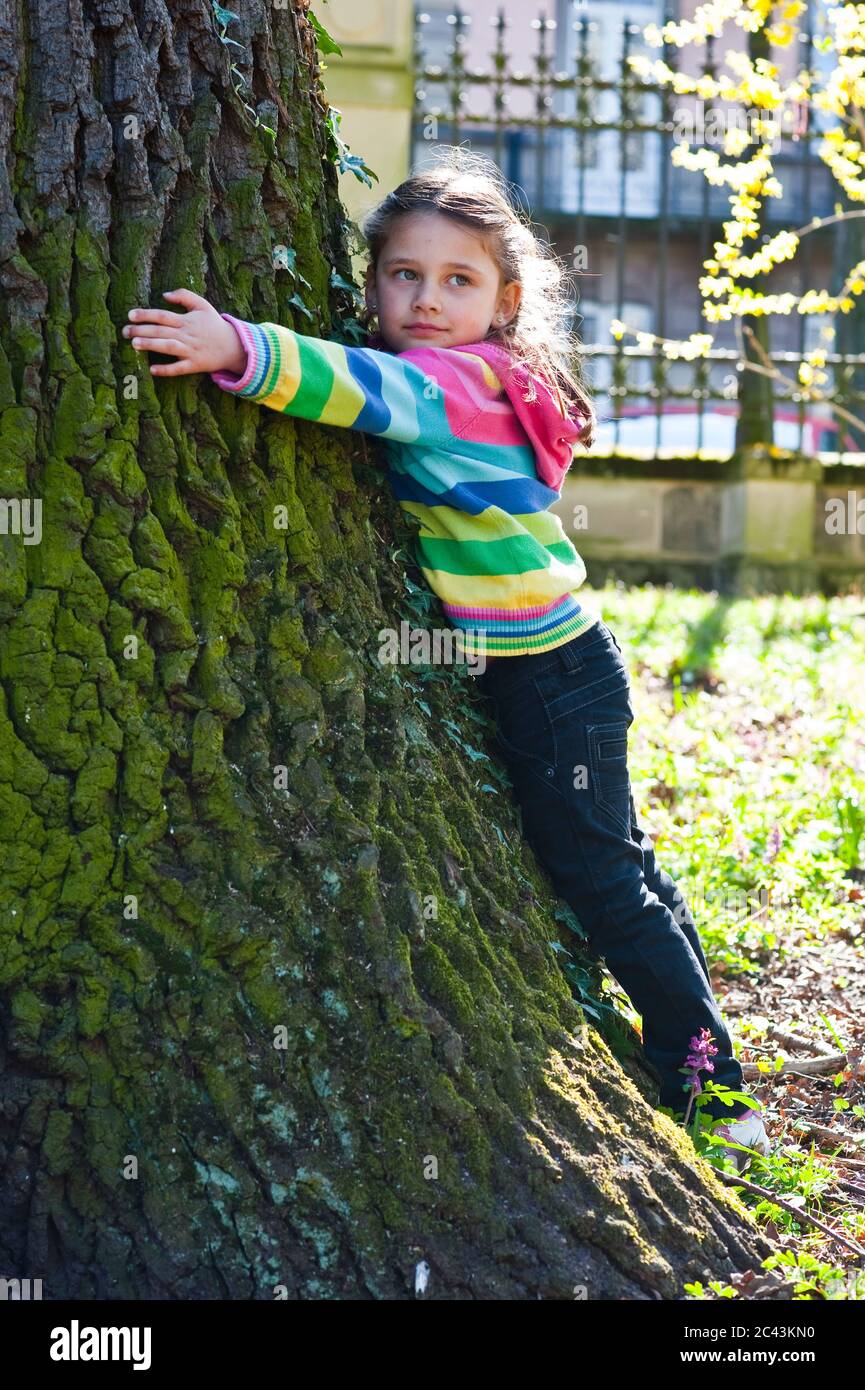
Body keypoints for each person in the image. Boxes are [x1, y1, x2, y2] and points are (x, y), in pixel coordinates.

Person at [122, 148, 770, 1171]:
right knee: (622, 866)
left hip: (549, 679)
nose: (424, 299)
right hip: (555, 665)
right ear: (372, 278)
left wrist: (232, 344)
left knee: (603, 879)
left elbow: (353, 385)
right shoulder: (494, 374)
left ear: (505, 300)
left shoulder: (453, 381)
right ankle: (701, 1059)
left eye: (457, 280)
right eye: (402, 275)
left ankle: (714, 1090)